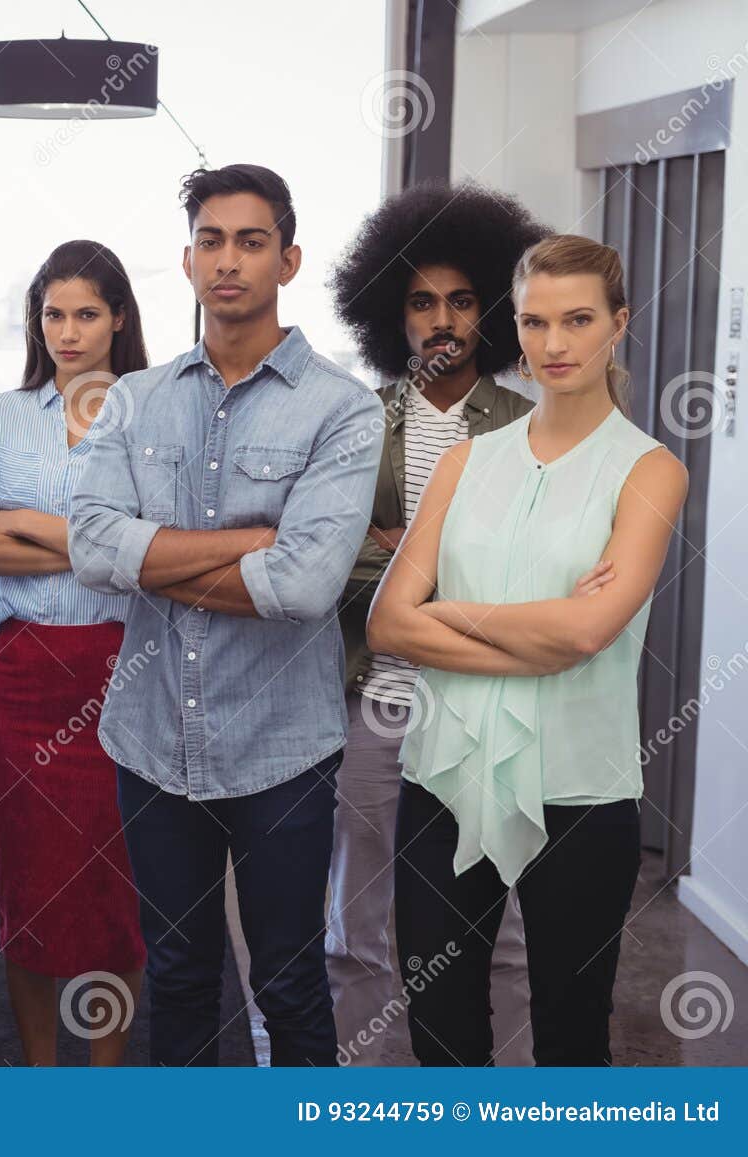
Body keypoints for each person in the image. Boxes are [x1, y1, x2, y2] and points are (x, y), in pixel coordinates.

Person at [70, 164, 383, 1066]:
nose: (229, 260)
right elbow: (91, 551)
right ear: (187, 259)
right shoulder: (134, 398)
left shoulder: (342, 409)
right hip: (152, 738)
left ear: (287, 259)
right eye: (211, 240)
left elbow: (304, 586)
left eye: (251, 242)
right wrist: (248, 541)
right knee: (175, 973)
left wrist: (155, 554)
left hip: (283, 746)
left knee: (287, 980)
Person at [367, 234, 687, 1066]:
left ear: (619, 324)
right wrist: (534, 635)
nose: (554, 344)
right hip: (442, 775)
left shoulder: (649, 470)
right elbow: (389, 623)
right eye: (537, 321)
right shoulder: (467, 461)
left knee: (572, 1031)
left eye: (578, 320)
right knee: (439, 1028)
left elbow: (588, 632)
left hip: (582, 789)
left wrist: (454, 615)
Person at [326, 181, 548, 1065]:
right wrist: (423, 565)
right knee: (358, 921)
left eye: (461, 299)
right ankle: (370, 1100)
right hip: (375, 704)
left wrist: (400, 558)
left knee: (506, 929)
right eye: (422, 301)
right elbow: (330, 565)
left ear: (490, 309)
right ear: (394, 312)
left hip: (493, 707)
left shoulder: (531, 428)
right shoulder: (355, 424)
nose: (442, 318)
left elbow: (536, 581)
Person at [0, 239, 150, 1065]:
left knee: (114, 886)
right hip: (26, 677)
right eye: (53, 313)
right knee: (27, 886)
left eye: (87, 313)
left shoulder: (153, 414)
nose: (68, 331)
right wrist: (97, 544)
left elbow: (159, 547)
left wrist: (22, 521)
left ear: (120, 319)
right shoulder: (1, 416)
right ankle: (41, 1073)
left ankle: (102, 1082)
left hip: (124, 674)